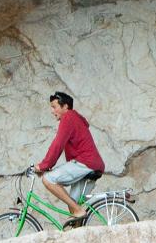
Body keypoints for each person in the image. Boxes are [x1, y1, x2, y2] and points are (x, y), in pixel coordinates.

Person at [32, 91, 106, 227]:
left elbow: (58, 144)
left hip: (85, 162)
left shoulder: (69, 117)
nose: (52, 111)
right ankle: (78, 232)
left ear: (65, 106)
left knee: (48, 179)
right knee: (74, 206)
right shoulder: (75, 119)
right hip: (93, 164)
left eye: (54, 107)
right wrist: (48, 166)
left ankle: (78, 210)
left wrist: (43, 166)